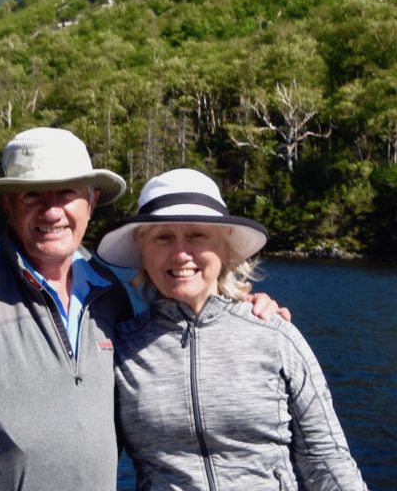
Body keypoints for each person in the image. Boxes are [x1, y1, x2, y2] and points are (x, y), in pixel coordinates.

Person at [0, 128, 287, 491]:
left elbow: (177, 346)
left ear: (91, 201)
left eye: (67, 193)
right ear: (8, 206)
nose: (51, 210)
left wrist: (238, 309)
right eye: (32, 194)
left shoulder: (109, 296)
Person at [98, 167, 368, 491]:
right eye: (163, 237)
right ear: (142, 251)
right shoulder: (121, 347)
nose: (181, 253)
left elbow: (326, 458)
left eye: (197, 235)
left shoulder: (274, 335)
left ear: (225, 248)